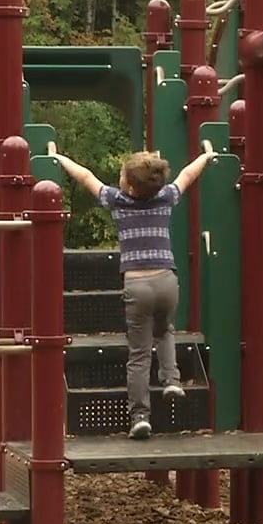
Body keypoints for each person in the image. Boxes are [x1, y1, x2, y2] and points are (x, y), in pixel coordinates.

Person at [54, 145, 215, 439]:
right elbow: (188, 175)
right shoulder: (166, 197)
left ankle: (140, 416)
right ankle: (171, 379)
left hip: (137, 284)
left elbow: (86, 177)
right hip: (167, 279)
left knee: (139, 354)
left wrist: (61, 159)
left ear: (128, 185)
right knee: (165, 331)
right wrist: (205, 156)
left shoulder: (117, 201)